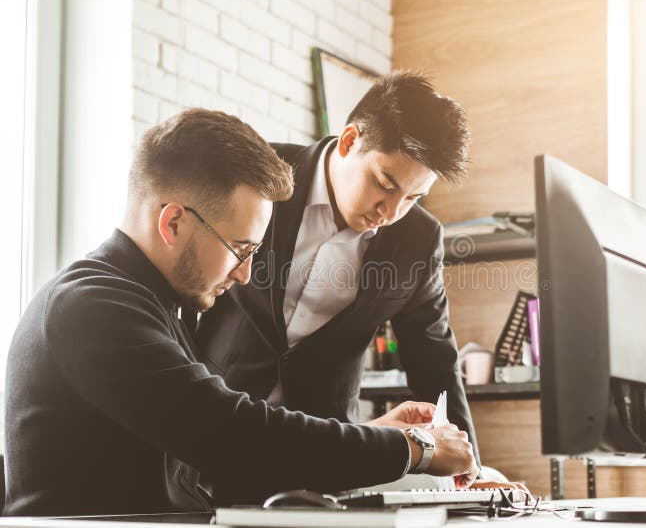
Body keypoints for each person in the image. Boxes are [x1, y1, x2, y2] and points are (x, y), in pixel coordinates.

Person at [3, 109, 478, 517]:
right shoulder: (94, 308)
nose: (247, 273)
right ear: (173, 222)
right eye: (240, 248)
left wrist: (368, 438)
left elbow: (216, 442)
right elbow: (232, 435)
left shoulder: (151, 303)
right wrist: (416, 448)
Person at [195, 72, 481, 466]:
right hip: (217, 428)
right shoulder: (257, 176)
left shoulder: (419, 238)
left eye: (413, 198)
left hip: (330, 453)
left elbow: (434, 358)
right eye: (385, 183)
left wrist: (470, 468)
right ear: (349, 141)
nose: (392, 212)